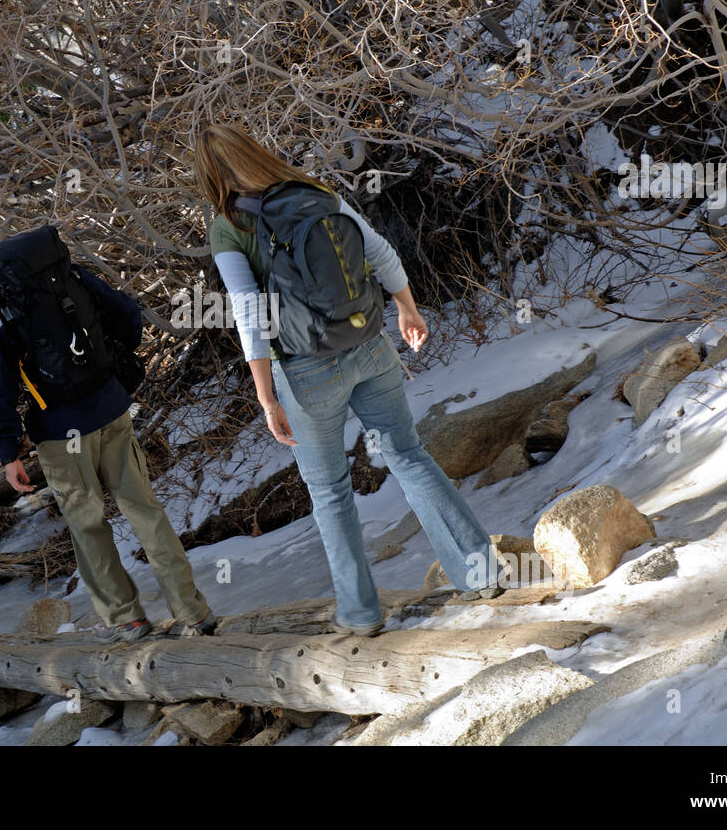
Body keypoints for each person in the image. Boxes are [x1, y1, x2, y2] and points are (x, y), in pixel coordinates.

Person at [194, 124, 501, 636]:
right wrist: (407, 309)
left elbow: (250, 313)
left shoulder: (228, 226)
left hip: (307, 369)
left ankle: (361, 613)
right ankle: (480, 572)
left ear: (210, 176)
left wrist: (266, 394)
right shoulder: (314, 192)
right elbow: (378, 251)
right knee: (408, 456)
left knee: (330, 491)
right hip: (370, 344)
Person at [0, 218, 216, 641]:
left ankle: (126, 619)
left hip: (58, 428)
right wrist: (110, 369)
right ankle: (193, 612)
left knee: (88, 525)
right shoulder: (62, 272)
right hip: (110, 407)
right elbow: (126, 312)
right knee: (144, 510)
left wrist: (7, 451)